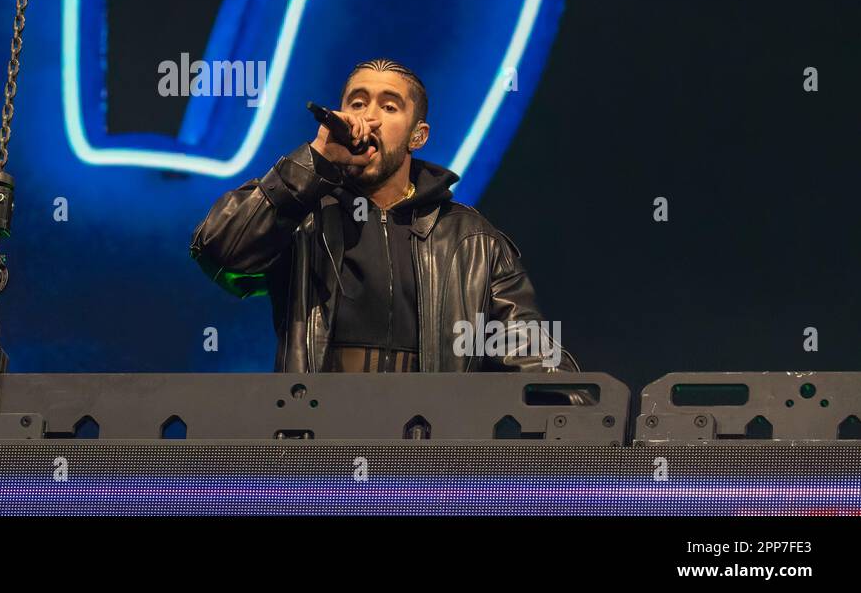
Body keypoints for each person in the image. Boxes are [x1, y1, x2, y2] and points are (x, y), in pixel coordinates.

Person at [190, 58, 581, 375]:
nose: (369, 118)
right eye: (357, 103)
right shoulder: (303, 218)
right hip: (317, 456)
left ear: (418, 135)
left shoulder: (472, 241)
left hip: (430, 461)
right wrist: (314, 160)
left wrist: (593, 436)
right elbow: (221, 252)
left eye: (389, 106)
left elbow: (530, 355)